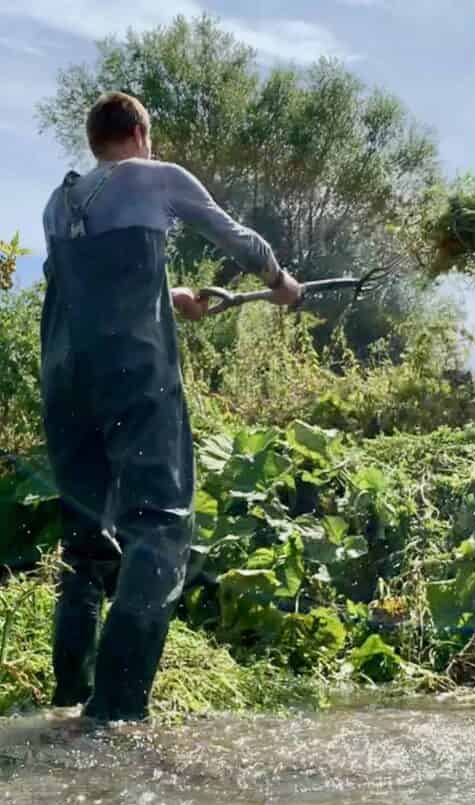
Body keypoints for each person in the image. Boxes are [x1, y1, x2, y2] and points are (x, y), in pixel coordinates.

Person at [40, 91, 301, 723]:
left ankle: (68, 700)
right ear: (138, 132)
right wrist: (280, 284)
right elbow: (239, 239)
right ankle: (118, 711)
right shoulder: (157, 177)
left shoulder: (60, 201)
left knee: (84, 542)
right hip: (133, 375)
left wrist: (173, 292)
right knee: (159, 523)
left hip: (65, 379)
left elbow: (89, 287)